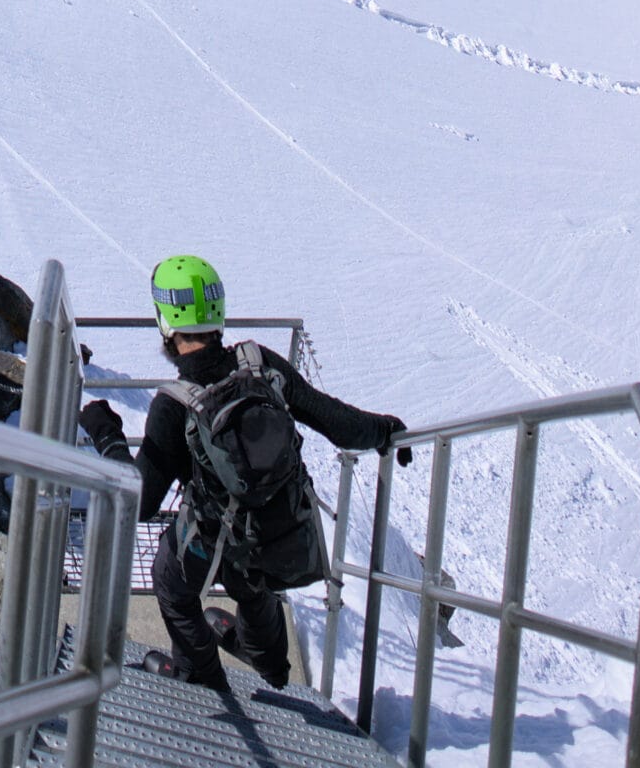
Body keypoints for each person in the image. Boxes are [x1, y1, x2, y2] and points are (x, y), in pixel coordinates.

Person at [95, 253, 408, 695]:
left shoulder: (173, 405)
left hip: (213, 540)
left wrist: (107, 436)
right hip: (280, 531)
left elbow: (138, 503)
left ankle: (199, 673)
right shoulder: (259, 364)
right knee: (251, 578)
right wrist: (385, 432)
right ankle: (271, 664)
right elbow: (333, 419)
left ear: (165, 322)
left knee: (170, 578)